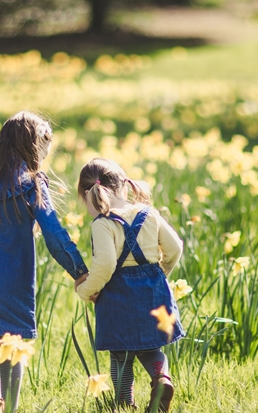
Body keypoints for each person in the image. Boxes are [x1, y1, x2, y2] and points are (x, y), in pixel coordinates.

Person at [0, 111, 89, 412]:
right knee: (14, 348)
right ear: (32, 147)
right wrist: (79, 270)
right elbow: (55, 234)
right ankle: (10, 408)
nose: (48, 151)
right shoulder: (33, 184)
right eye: (45, 142)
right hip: (15, 284)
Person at [74, 158, 184, 412]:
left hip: (118, 295)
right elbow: (175, 248)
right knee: (151, 347)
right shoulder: (149, 213)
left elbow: (105, 265)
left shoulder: (103, 223)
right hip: (154, 291)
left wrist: (86, 289)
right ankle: (161, 378)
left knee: (121, 354)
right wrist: (160, 273)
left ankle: (124, 403)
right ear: (124, 186)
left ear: (89, 195)